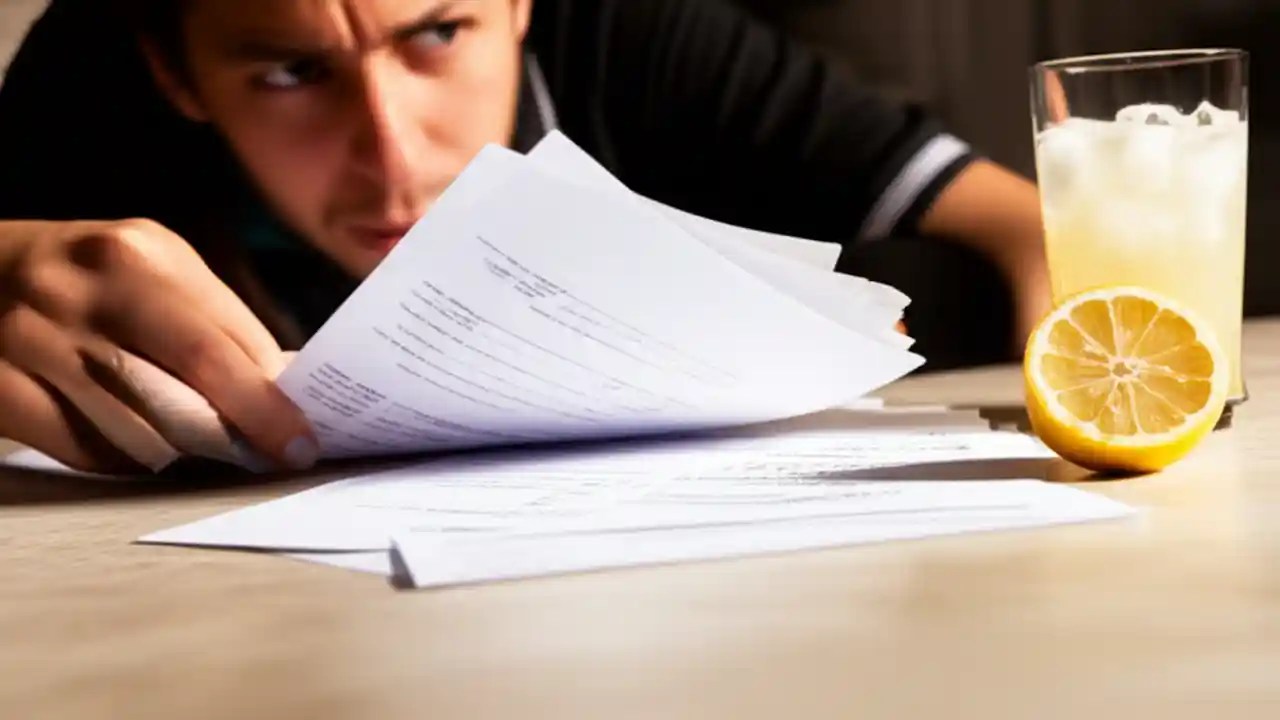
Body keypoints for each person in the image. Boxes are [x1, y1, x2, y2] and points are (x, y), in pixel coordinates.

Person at [0, 0, 1051, 474]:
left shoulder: (635, 34)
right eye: (289, 71)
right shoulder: (95, 74)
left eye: (435, 33)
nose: (391, 154)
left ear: (518, 5)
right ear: (178, 74)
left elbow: (1027, 226)